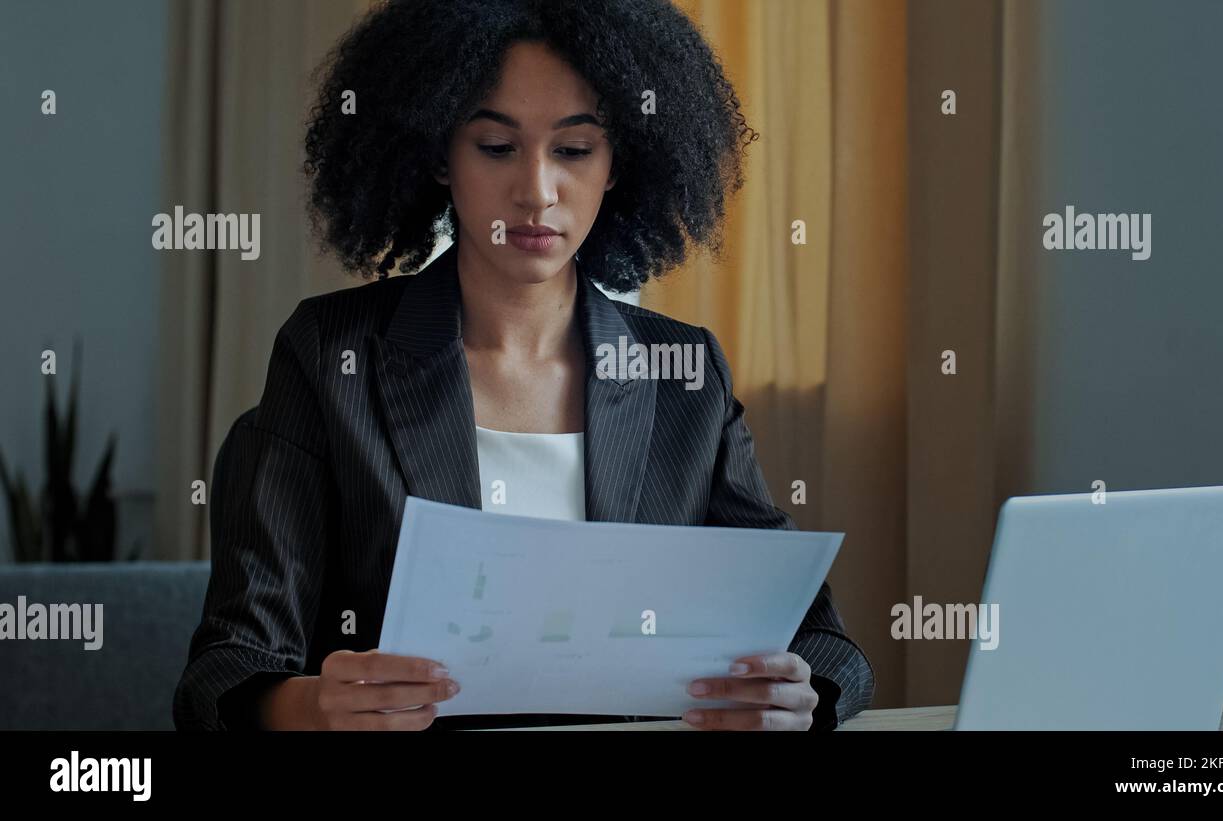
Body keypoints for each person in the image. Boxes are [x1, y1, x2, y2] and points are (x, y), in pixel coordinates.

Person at [174, 0, 873, 732]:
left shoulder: (683, 373)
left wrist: (803, 696)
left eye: (574, 150)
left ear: (616, 165)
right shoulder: (329, 356)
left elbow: (824, 641)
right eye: (496, 146)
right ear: (440, 155)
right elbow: (224, 667)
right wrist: (313, 705)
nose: (537, 191)